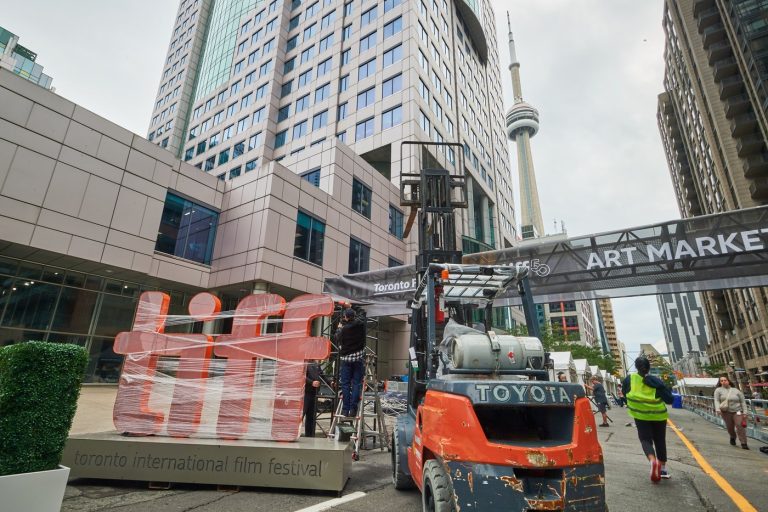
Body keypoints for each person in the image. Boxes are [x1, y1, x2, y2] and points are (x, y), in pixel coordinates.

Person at [623, 356, 674, 483]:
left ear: (636, 367)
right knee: (660, 439)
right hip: (659, 415)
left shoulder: (630, 379)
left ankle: (652, 460)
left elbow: (625, 394)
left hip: (640, 415)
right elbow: (669, 399)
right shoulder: (656, 381)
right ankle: (662, 469)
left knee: (645, 439)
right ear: (649, 367)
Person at [334, 308, 366, 417]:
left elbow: (337, 337)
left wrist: (339, 327)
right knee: (356, 383)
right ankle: (353, 409)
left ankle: (345, 410)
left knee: (345, 385)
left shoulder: (343, 329)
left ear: (345, 317)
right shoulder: (361, 325)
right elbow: (362, 315)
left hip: (346, 360)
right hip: (358, 359)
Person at [714, 376, 749, 450]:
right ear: (720, 382)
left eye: (725, 380)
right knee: (730, 427)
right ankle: (732, 436)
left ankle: (744, 443)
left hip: (737, 411)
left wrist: (745, 412)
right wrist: (717, 409)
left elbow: (743, 401)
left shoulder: (736, 390)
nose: (723, 381)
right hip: (726, 412)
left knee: (740, 426)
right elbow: (716, 400)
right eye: (721, 381)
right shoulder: (718, 390)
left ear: (728, 381)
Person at [303, 361, 321, 437]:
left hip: (314, 393)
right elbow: (301, 375)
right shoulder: (303, 363)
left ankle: (309, 435)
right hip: (305, 393)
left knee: (311, 416)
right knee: (302, 413)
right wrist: (311, 382)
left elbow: (322, 376)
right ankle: (293, 433)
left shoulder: (316, 364)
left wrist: (330, 382)